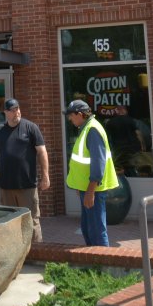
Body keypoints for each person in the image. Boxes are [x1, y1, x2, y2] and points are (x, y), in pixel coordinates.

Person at [0, 98, 50, 241]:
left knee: (31, 221)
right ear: (6, 113)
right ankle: (15, 257)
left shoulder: (31, 128)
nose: (17, 112)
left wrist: (45, 176)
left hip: (27, 186)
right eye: (13, 110)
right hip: (6, 186)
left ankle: (36, 254)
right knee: (8, 222)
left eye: (18, 109)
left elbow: (42, 152)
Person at [64, 99, 118, 246]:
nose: (69, 119)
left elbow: (98, 162)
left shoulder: (92, 129)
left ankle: (103, 264)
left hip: (93, 190)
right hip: (87, 188)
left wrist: (90, 191)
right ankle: (94, 263)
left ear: (80, 114)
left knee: (96, 230)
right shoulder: (87, 128)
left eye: (71, 115)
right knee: (88, 228)